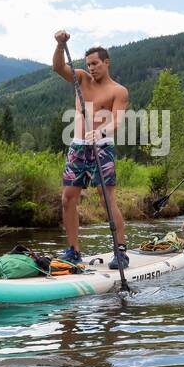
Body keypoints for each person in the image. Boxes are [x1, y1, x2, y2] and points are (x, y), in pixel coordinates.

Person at [52, 30, 129, 269]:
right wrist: (59, 44)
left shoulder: (118, 91)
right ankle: (74, 251)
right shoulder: (81, 79)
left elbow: (117, 121)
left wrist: (101, 131)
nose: (92, 68)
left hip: (103, 147)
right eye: (88, 64)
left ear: (106, 62)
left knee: (106, 200)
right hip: (78, 147)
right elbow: (57, 68)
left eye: (95, 63)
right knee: (67, 199)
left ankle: (120, 251)